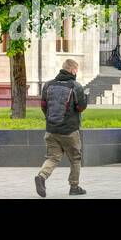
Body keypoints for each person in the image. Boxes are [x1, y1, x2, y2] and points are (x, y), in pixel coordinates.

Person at [35, 58, 88, 197]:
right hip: (70, 131)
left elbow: (43, 106)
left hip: (51, 130)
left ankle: (41, 177)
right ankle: (74, 186)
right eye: (76, 69)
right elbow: (81, 107)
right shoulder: (75, 86)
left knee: (52, 157)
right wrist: (85, 98)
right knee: (75, 158)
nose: (77, 72)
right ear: (72, 70)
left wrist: (50, 120)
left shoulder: (47, 85)